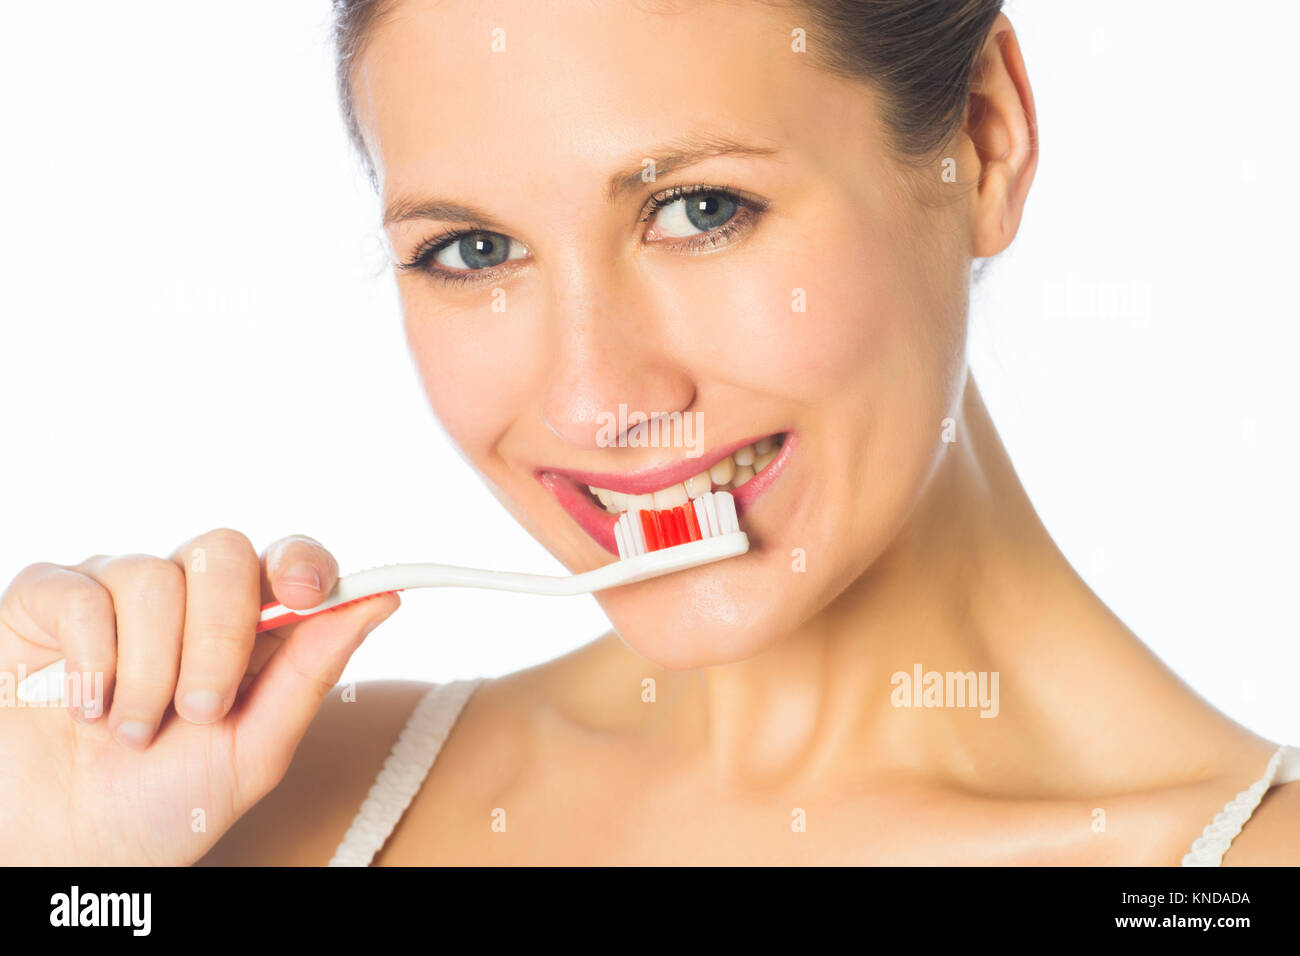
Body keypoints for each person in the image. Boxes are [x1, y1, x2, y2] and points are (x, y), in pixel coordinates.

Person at [2, 0, 1295, 866]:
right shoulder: (252, 812)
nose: (591, 399)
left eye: (699, 209)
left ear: (983, 142)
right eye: (473, 249)